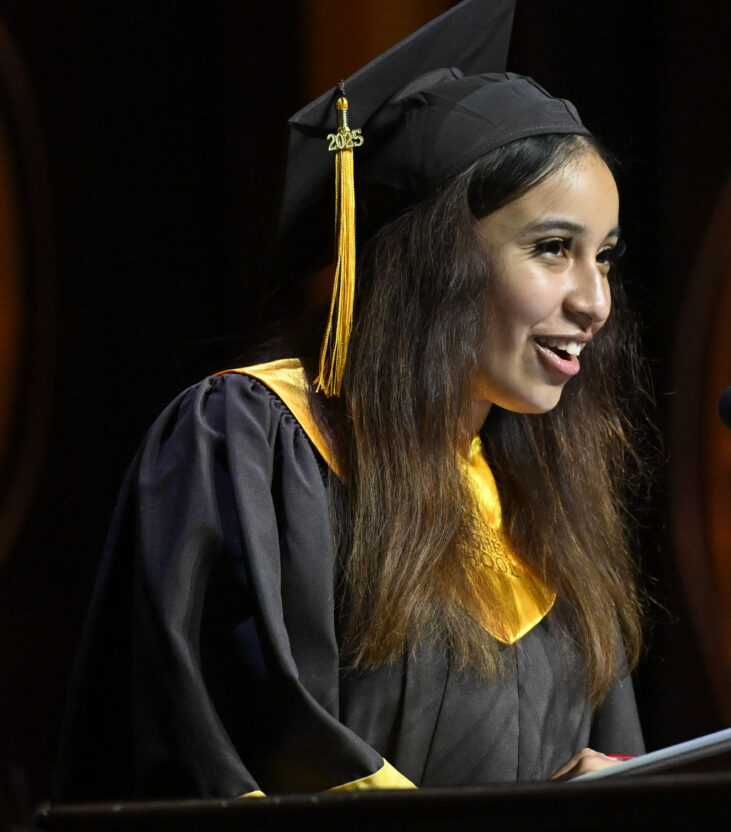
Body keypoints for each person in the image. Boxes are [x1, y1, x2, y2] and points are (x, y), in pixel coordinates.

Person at [54, 0, 651, 801]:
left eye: (604, 258)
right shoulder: (258, 447)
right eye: (553, 249)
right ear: (430, 258)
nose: (595, 302)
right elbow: (228, 745)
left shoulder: (547, 514)